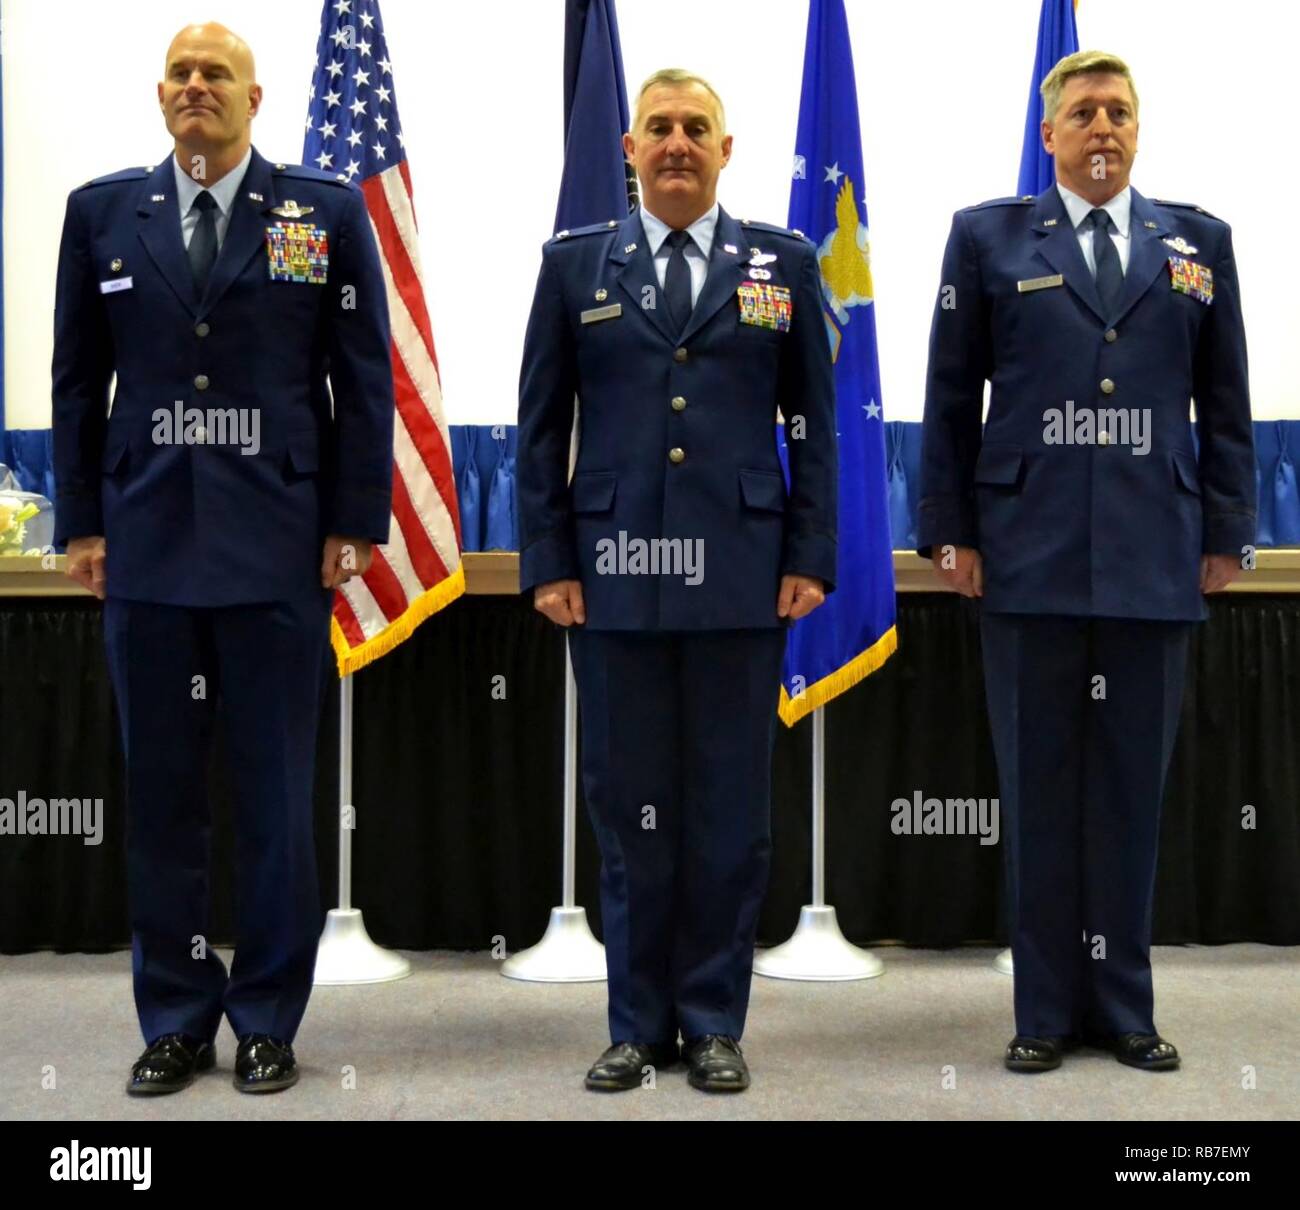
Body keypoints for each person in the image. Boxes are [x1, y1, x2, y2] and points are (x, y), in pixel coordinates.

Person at [52, 22, 394, 1094]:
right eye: (182, 76)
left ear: (256, 95)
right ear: (163, 98)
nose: (198, 88)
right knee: (163, 797)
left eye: (218, 75)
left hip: (277, 547)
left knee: (276, 797)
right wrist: (82, 522)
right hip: (147, 545)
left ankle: (267, 1018)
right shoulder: (104, 212)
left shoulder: (322, 212)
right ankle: (175, 1016)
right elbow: (75, 380)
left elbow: (362, 377)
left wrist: (353, 518)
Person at [919, 50, 1254, 1073]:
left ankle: (1125, 1006)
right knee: (1039, 787)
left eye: (1117, 111)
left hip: (1153, 554)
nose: (1100, 127)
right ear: (1049, 133)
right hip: (1029, 553)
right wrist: (950, 527)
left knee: (1127, 792)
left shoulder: (1196, 243)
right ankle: (1043, 1010)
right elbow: (950, 393)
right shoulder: (987, 238)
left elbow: (1225, 402)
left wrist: (1224, 529)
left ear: (1136, 132)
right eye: (1081, 113)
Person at [517, 68, 837, 1092]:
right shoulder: (576, 268)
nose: (676, 144)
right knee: (628, 805)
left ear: (724, 148)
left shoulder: (781, 264)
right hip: (610, 579)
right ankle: (633, 1020)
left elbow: (815, 429)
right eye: (658, 128)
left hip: (742, 578)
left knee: (728, 811)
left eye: (696, 128)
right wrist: (550, 559)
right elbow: (539, 429)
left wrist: (808, 554)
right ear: (628, 147)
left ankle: (711, 1021)